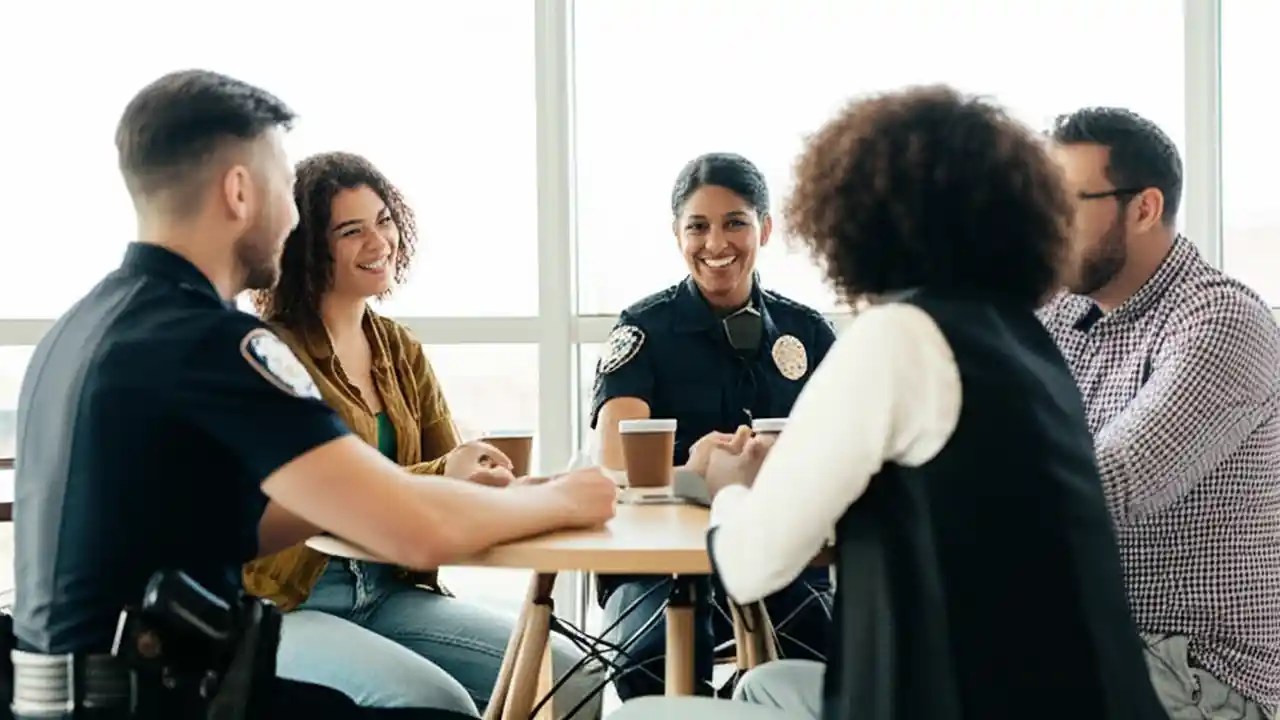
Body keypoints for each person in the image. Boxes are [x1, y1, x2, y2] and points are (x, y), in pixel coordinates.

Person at [9, 69, 615, 719]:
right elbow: (415, 534)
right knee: (431, 709)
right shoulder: (212, 342)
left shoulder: (82, 328)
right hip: (160, 701)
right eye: (283, 186)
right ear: (239, 191)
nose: (293, 215)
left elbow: (225, 525)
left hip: (74, 698)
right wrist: (562, 497)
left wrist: (397, 492)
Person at [611, 85, 1168, 720]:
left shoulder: (897, 334)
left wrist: (734, 486)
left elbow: (747, 565)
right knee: (770, 683)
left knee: (640, 716)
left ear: (857, 215)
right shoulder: (1027, 342)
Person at [241, 150, 602, 717]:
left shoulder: (399, 350)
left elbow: (449, 473)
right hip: (291, 601)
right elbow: (326, 492)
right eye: (351, 230)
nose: (378, 241)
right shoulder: (270, 354)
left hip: (387, 592)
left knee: (572, 676)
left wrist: (514, 484)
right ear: (308, 247)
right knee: (433, 701)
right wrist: (447, 474)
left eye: (384, 221)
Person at [1039, 107, 1280, 718]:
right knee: (772, 691)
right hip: (1088, 646)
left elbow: (1102, 486)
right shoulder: (1061, 314)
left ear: (1143, 208)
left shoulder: (1221, 321)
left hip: (1196, 670)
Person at [589, 152, 836, 699]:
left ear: (765, 229)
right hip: (655, 563)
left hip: (783, 553)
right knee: (649, 662)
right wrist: (694, 473)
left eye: (735, 224)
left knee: (828, 648)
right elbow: (614, 459)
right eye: (697, 226)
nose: (716, 244)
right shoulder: (643, 329)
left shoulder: (808, 331)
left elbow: (849, 456)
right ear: (677, 234)